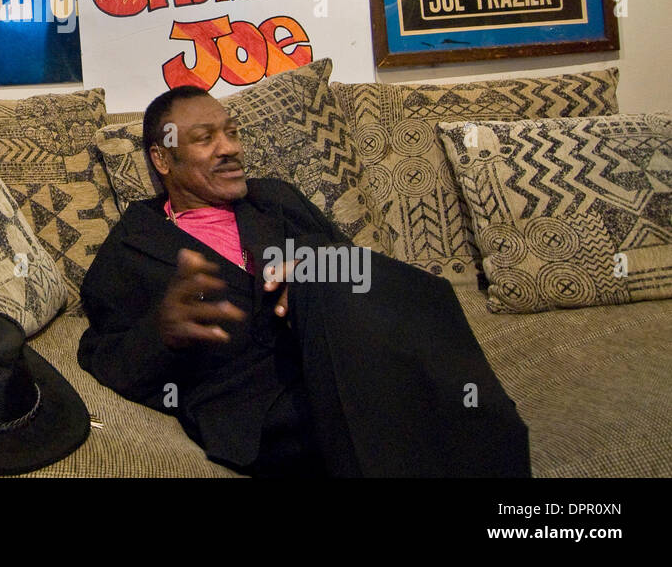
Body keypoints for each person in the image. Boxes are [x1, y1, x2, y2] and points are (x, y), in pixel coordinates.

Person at [78, 84, 531, 477]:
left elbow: (364, 285)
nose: (230, 147)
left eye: (232, 132)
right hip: (265, 403)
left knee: (402, 292)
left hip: (351, 360)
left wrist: (317, 266)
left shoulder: (274, 199)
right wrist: (161, 331)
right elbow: (101, 353)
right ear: (162, 157)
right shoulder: (132, 247)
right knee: (416, 409)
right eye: (205, 138)